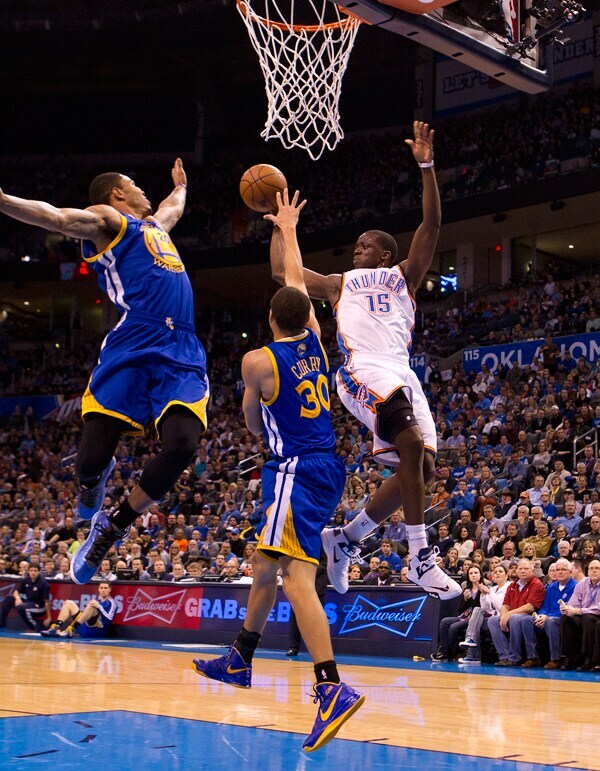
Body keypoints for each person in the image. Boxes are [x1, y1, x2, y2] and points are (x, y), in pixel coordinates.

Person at [191, 189, 364, 753]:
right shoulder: (316, 339)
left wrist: (256, 411)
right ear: (303, 317)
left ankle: (330, 686)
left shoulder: (257, 361)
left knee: (295, 578)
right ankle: (241, 657)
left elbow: (248, 423)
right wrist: (287, 228)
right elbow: (293, 281)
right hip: (324, 463)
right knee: (264, 565)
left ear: (269, 319)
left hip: (292, 467)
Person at [268, 123, 460, 601]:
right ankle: (419, 558)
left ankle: (345, 539)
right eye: (355, 247)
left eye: (365, 245)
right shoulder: (339, 283)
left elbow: (432, 226)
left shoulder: (403, 277)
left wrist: (427, 167)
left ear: (386, 253)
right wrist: (278, 226)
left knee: (424, 468)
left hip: (401, 371)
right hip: (361, 369)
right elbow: (281, 273)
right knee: (412, 443)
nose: (357, 250)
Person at [0, 160, 209, 585]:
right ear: (116, 194)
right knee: (91, 461)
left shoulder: (155, 228)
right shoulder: (108, 221)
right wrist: (3, 200)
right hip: (134, 340)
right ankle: (91, 483)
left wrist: (182, 187)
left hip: (180, 345)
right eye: (133, 183)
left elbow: (172, 207)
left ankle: (110, 528)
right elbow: (56, 217)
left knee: (184, 444)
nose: (142, 189)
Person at [488, 558, 546, 666]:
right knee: (492, 620)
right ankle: (504, 656)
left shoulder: (536, 584)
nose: (523, 571)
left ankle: (514, 657)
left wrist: (509, 614)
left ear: (532, 571)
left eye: (526, 569)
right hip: (513, 616)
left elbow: (530, 607)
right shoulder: (512, 585)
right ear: (517, 571)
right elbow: (505, 605)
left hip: (531, 617)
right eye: (521, 568)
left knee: (515, 618)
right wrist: (503, 616)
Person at [458, 562, 510, 665]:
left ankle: (473, 655)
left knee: (478, 617)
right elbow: (486, 608)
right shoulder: (493, 588)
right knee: (478, 610)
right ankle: (470, 641)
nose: (498, 574)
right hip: (491, 617)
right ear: (493, 576)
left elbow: (501, 607)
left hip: (503, 617)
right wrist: (483, 595)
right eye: (495, 572)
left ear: (506, 575)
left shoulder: (509, 587)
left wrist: (489, 593)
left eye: (500, 572)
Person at [559, 559, 600, 671]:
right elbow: (573, 603)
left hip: (595, 615)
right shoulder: (582, 584)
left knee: (588, 619)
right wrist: (567, 609)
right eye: (592, 568)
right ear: (587, 572)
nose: (594, 571)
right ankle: (569, 657)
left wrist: (579, 611)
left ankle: (588, 657)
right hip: (584, 614)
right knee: (565, 618)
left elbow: (598, 609)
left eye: (597, 568)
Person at [41, 581, 116, 639]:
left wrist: (99, 607)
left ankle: (71, 629)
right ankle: (55, 628)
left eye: (105, 588)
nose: (103, 590)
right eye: (101, 588)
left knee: (91, 605)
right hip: (85, 627)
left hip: (97, 630)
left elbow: (109, 620)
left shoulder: (111, 602)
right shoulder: (98, 601)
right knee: (68, 603)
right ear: (98, 589)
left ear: (110, 589)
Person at [0, 563, 51, 632]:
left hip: (39, 606)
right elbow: (16, 591)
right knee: (9, 599)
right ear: (28, 571)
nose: (33, 573)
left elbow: (46, 601)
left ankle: (37, 626)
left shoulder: (44, 583)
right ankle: (1, 623)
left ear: (39, 572)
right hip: (28, 602)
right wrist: (18, 598)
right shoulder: (26, 580)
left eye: (35, 571)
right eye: (31, 570)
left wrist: (49, 617)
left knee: (22, 607)